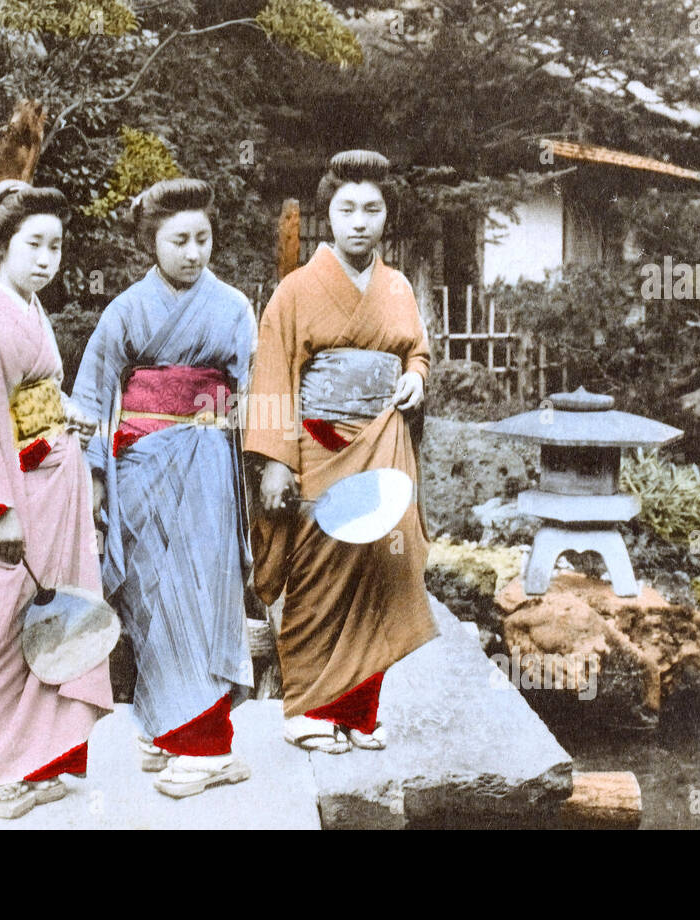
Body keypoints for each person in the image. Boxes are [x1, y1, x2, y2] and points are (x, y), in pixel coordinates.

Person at [244, 149, 438, 755]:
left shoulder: (399, 287)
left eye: (372, 209)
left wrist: (417, 378)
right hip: (317, 446)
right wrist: (275, 461)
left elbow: (417, 352)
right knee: (319, 570)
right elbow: (274, 372)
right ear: (327, 215)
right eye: (346, 208)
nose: (359, 221)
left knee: (384, 561)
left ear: (387, 217)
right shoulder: (296, 290)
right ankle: (306, 709)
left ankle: (357, 710)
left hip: (383, 438)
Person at [0, 180, 112, 818]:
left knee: (54, 622)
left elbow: (36, 394)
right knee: (1, 628)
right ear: (1, 246)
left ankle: (35, 761)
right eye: (33, 244)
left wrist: (67, 413)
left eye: (56, 246)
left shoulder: (31, 313)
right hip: (10, 497)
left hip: (53, 490)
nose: (46, 258)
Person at [71, 178, 256, 798]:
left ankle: (208, 747)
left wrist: (265, 457)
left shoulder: (232, 307)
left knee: (201, 593)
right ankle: (163, 724)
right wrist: (96, 473)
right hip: (139, 469)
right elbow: (94, 394)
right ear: (152, 242)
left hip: (206, 461)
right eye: (179, 240)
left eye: (203, 238)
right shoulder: (125, 308)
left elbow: (256, 389)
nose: (194, 252)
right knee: (149, 597)